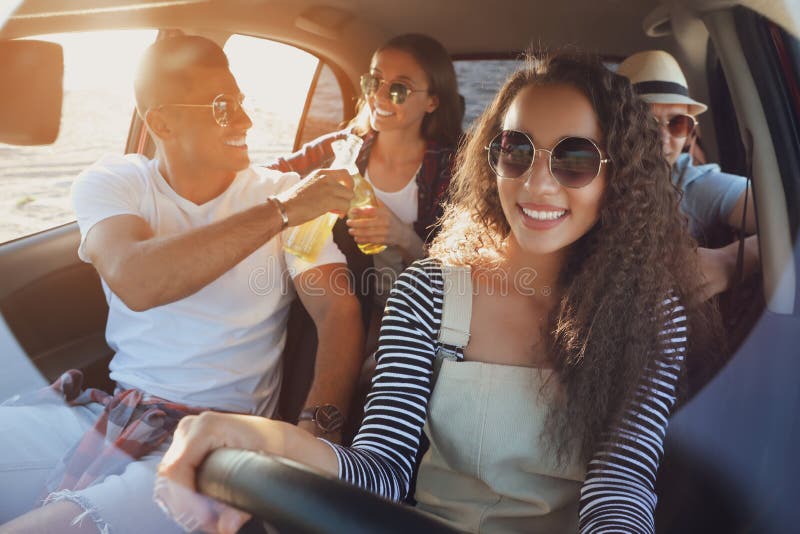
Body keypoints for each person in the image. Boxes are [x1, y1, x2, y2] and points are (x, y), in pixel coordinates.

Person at [155, 51, 720, 533]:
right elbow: (382, 468)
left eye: (573, 159)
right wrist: (260, 439)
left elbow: (619, 488)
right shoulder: (429, 291)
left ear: (616, 174)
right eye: (516, 151)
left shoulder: (651, 313)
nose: (535, 182)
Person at [0, 35, 363, 534]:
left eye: (240, 102)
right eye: (221, 107)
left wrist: (317, 433)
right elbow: (137, 280)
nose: (245, 122)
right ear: (161, 123)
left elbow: (336, 313)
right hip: (117, 411)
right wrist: (280, 213)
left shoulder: (280, 192)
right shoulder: (116, 183)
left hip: (219, 445)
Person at [267, 33, 462, 355]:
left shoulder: (455, 168)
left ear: (433, 101)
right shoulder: (342, 148)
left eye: (398, 89)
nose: (379, 97)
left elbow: (464, 277)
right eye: (374, 81)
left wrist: (404, 237)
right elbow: (265, 177)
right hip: (344, 308)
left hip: (423, 323)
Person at [617, 50, 759, 300]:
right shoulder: (585, 178)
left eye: (677, 123)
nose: (662, 138)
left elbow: (788, 218)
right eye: (644, 122)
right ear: (616, 128)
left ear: (689, 133)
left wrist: (730, 261)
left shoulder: (694, 185)